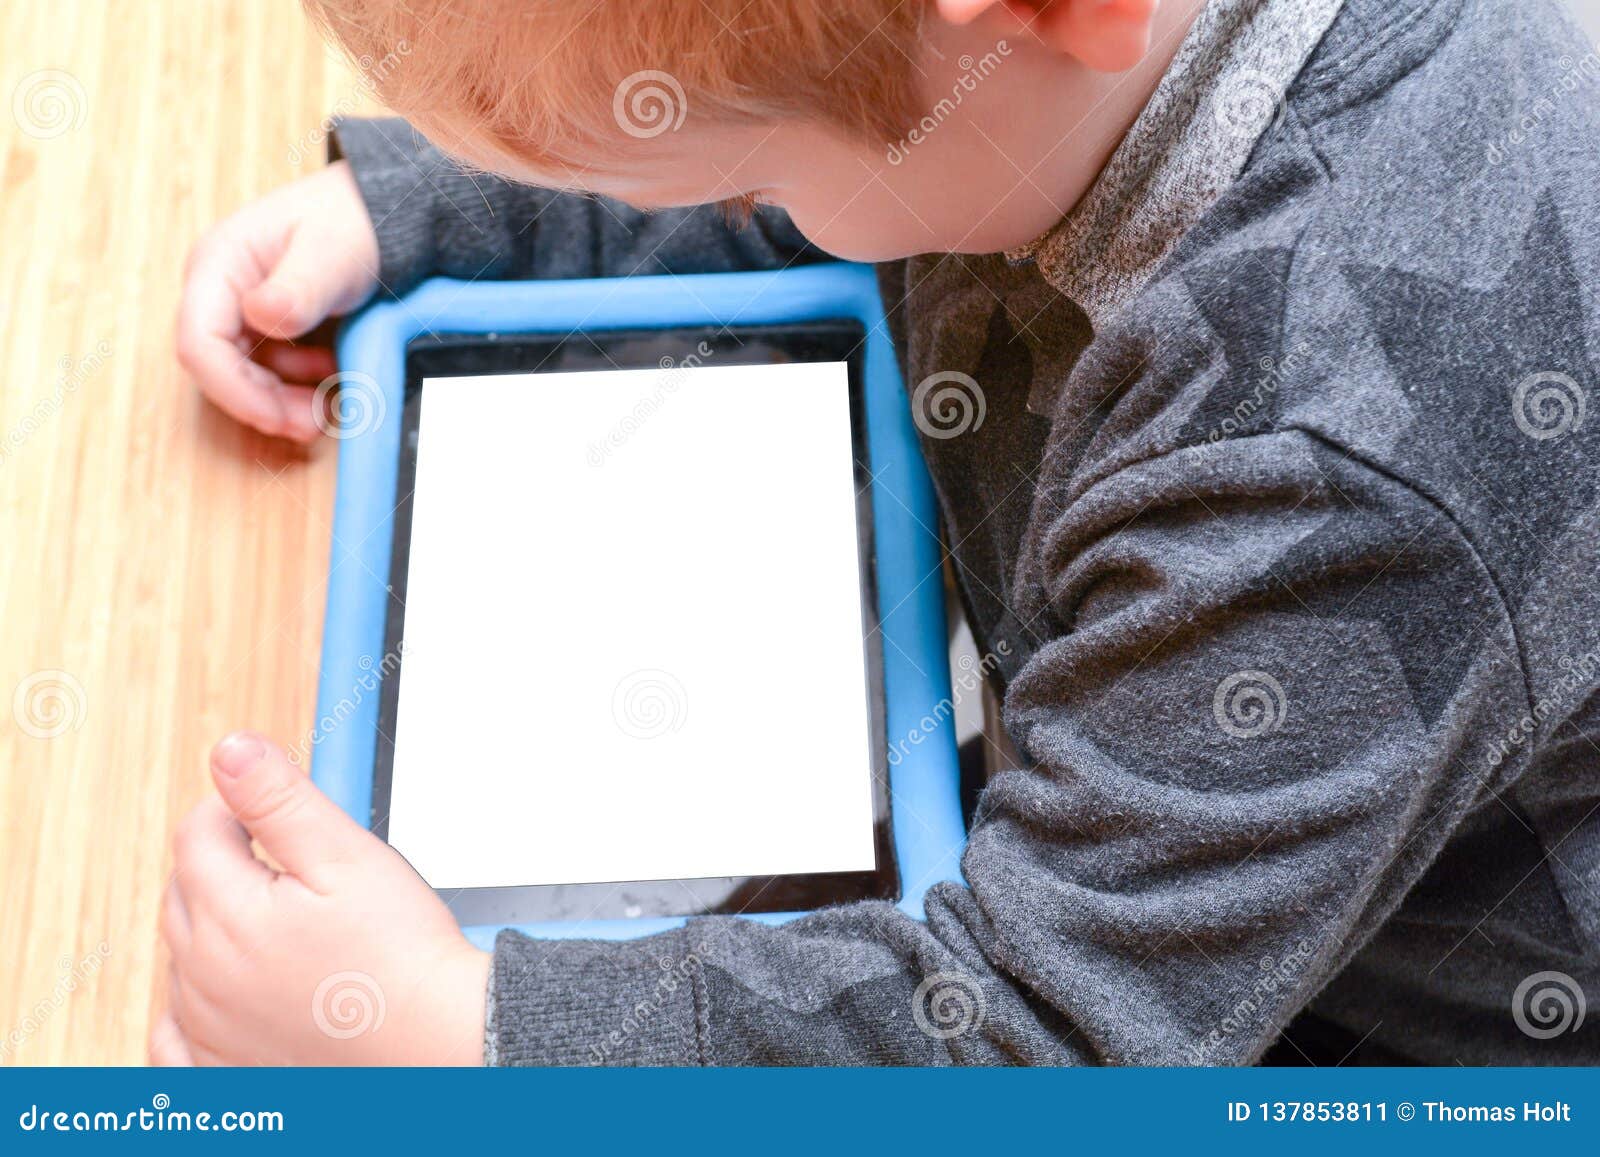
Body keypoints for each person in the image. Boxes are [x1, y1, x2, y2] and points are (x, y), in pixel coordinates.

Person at [157, 0, 1600, 1066]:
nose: (755, 205)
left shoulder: (1328, 460)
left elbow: (1044, 1038)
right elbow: (834, 110)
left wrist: (452, 1029)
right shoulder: (1002, 74)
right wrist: (429, 203)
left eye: (741, 185)